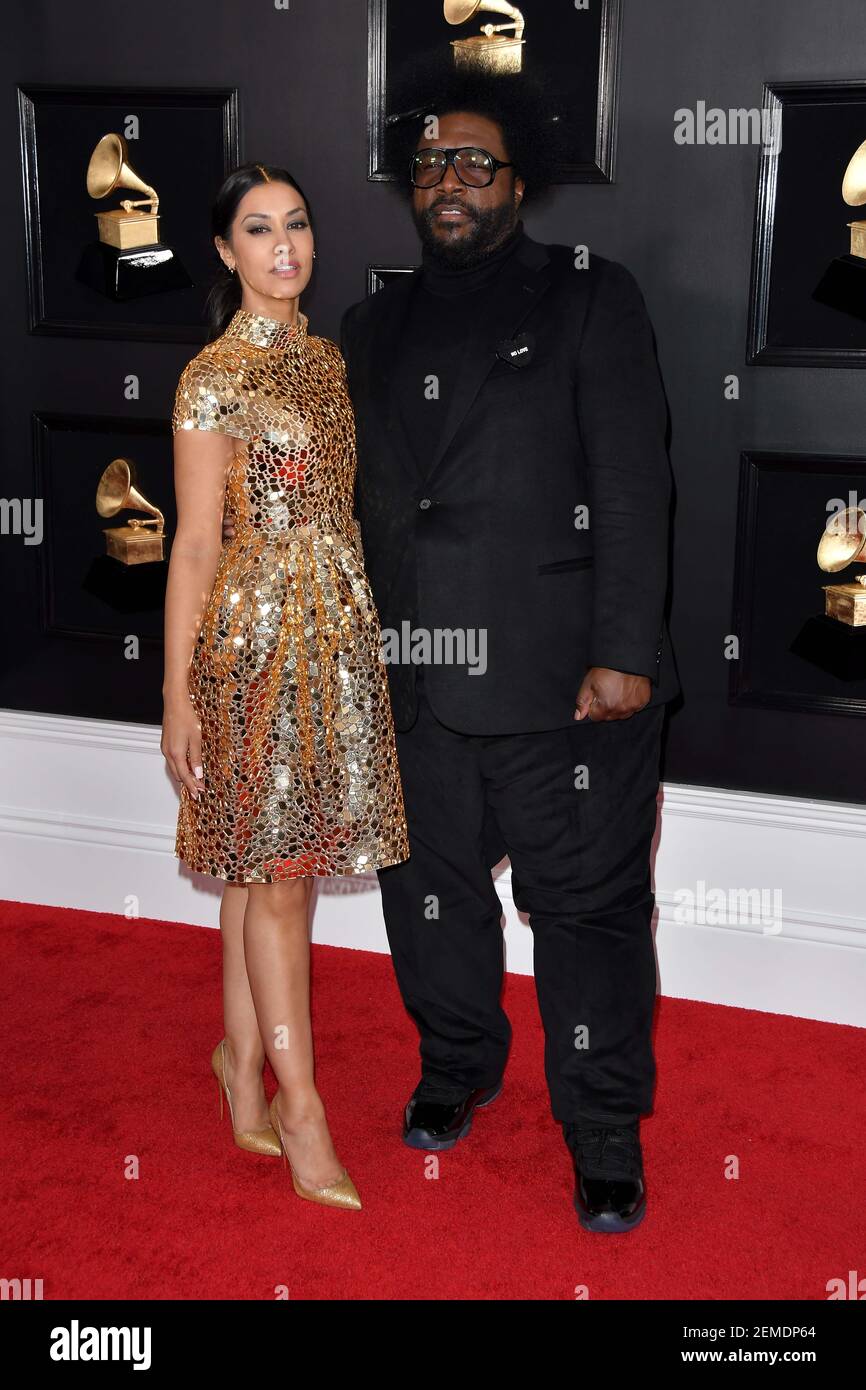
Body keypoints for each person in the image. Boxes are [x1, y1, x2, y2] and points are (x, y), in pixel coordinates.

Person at [337, 69, 681, 1234]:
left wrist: (623, 650)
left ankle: (598, 1127)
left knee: (582, 911)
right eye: (430, 162)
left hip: (561, 683)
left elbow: (633, 486)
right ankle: (456, 1067)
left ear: (517, 182)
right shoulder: (370, 323)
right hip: (413, 681)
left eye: (473, 163)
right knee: (426, 902)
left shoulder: (589, 297)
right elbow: (370, 506)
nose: (449, 180)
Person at [162, 161, 409, 1212]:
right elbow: (195, 545)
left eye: (295, 224)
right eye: (257, 230)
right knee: (279, 880)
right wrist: (178, 694)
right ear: (225, 253)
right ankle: (300, 1105)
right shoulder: (210, 376)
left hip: (335, 637)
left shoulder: (329, 358)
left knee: (256, 867)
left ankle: (238, 1058)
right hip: (249, 647)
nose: (283, 246)